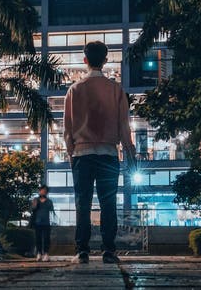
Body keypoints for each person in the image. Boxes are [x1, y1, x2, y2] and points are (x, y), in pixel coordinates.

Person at [63, 40, 137, 265]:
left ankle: (82, 251)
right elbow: (124, 127)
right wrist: (130, 154)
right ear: (105, 60)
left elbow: (67, 131)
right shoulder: (116, 90)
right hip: (108, 153)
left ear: (85, 60)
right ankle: (109, 251)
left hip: (82, 154)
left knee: (82, 203)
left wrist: (71, 154)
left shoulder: (74, 90)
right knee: (108, 204)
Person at [29, 184, 55, 261]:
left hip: (46, 222)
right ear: (39, 191)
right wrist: (35, 204)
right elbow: (32, 209)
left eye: (45, 191)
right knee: (38, 239)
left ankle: (46, 253)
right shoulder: (35, 200)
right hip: (37, 222)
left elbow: (52, 211)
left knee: (47, 239)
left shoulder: (49, 201)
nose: (43, 192)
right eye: (42, 190)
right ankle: (39, 253)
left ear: (46, 192)